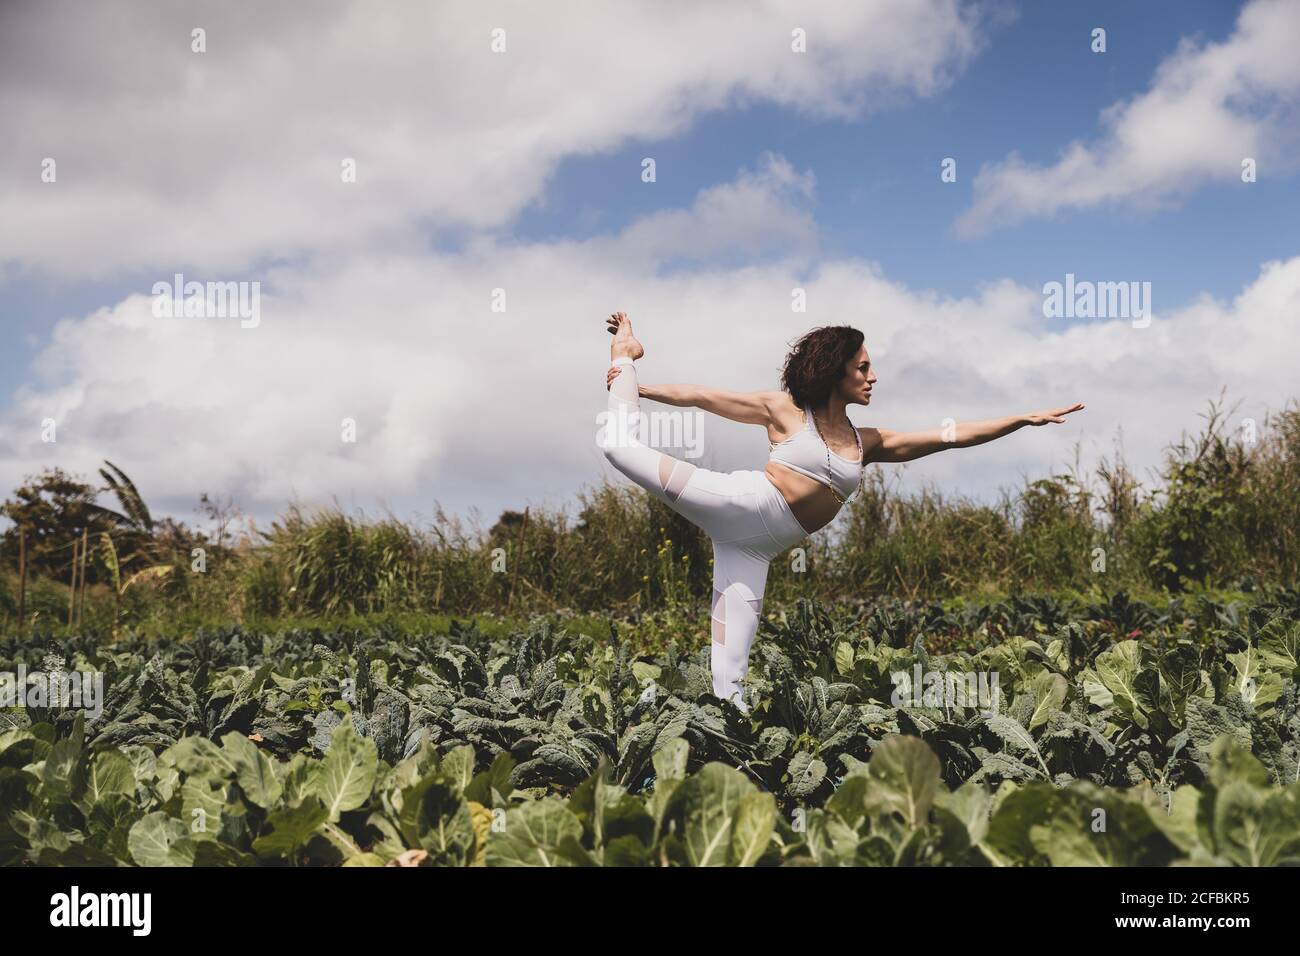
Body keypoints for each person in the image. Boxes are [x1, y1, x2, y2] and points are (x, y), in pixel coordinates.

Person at [599, 311, 1084, 712]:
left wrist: (1021, 419)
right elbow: (706, 398)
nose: (872, 377)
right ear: (836, 370)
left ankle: (728, 759)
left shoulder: (866, 441)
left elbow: (949, 435)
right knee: (617, 445)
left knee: (731, 677)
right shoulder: (786, 411)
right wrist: (639, 387)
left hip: (754, 551)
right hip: (737, 502)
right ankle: (625, 354)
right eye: (863, 367)